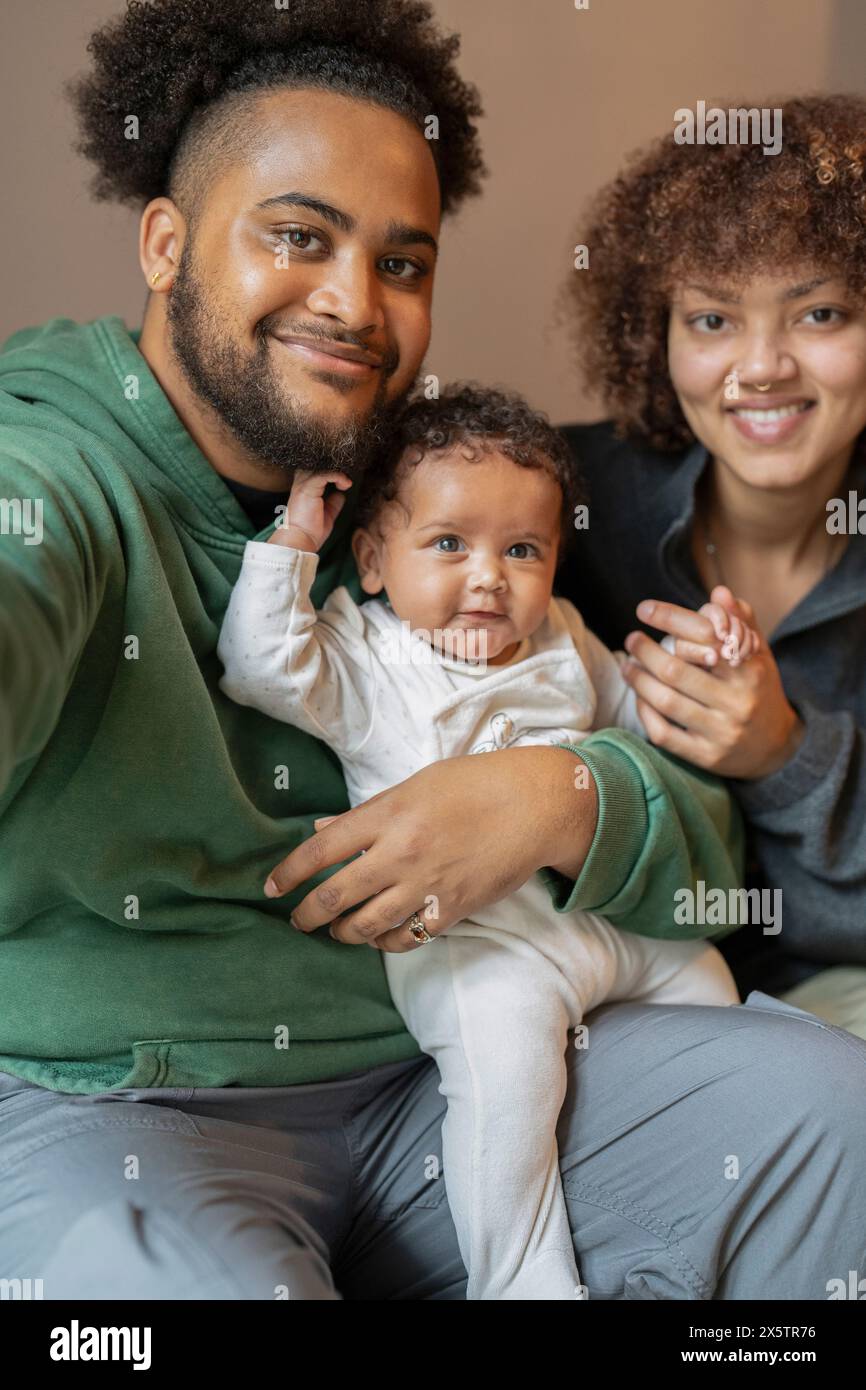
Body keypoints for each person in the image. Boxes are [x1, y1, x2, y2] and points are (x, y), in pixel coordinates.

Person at [0, 4, 863, 1301]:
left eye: (402, 262)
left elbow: (687, 796)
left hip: (432, 1091)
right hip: (142, 1115)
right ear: (166, 243)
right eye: (298, 235)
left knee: (824, 1114)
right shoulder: (59, 466)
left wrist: (543, 796)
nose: (354, 303)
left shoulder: (440, 481)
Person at [216, 383, 743, 1300]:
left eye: (523, 549)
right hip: (479, 948)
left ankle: (729, 1158)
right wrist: (293, 547)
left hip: (593, 914)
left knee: (705, 980)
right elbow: (261, 668)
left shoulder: (563, 636)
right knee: (507, 1088)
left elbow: (635, 731)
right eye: (450, 544)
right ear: (374, 559)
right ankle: (522, 1280)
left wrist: (699, 666)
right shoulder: (367, 656)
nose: (490, 576)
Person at [562, 93, 866, 1040]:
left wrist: (784, 752)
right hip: (601, 1007)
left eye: (819, 312)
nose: (761, 367)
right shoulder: (559, 501)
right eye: (712, 321)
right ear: (656, 339)